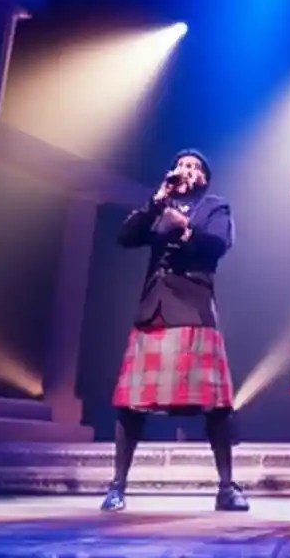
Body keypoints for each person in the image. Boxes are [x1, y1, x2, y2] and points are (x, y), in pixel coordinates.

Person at [100, 149, 248, 512]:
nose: (186, 169)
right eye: (181, 164)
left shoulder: (214, 207)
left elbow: (217, 246)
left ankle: (227, 487)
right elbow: (126, 236)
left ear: (204, 178)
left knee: (215, 404)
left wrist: (183, 226)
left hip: (193, 308)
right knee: (131, 403)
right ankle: (117, 486)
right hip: (153, 311)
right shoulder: (158, 205)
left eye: (194, 166)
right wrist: (157, 201)